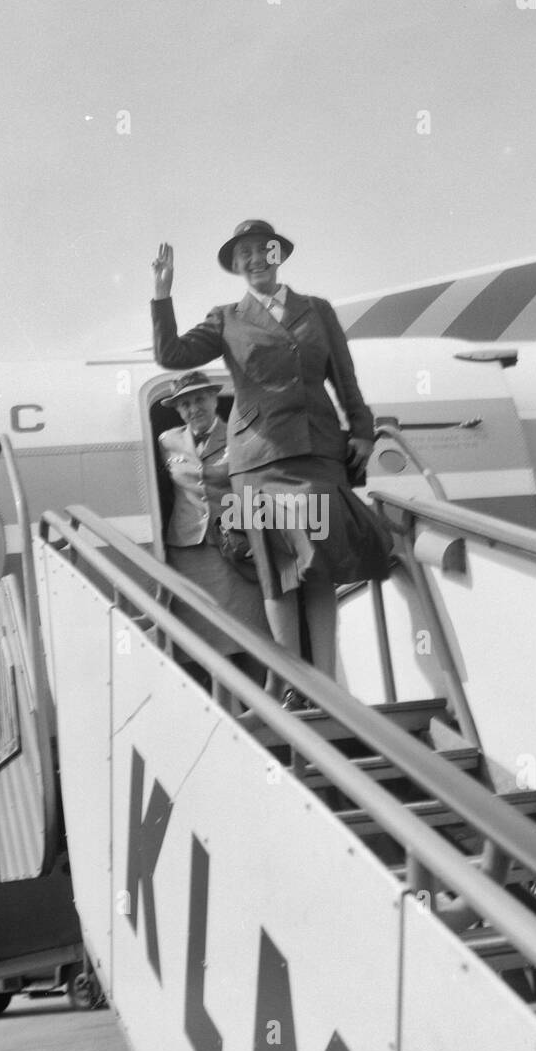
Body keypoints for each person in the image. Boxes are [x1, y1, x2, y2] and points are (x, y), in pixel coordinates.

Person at [151, 219, 391, 709]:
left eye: (265, 250)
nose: (257, 259)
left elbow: (344, 377)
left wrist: (362, 431)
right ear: (236, 266)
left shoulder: (318, 311)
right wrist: (162, 294)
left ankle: (324, 684)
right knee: (275, 565)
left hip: (317, 454)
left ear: (280, 255)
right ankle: (287, 681)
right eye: (246, 255)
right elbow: (170, 354)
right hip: (257, 461)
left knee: (320, 565)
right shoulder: (227, 318)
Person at [156, 370, 269, 686]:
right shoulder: (168, 441)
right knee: (204, 635)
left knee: (251, 630)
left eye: (200, 399)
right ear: (178, 410)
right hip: (189, 550)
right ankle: (225, 708)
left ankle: (262, 704)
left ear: (213, 398)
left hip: (237, 545)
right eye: (185, 404)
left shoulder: (241, 432)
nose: (194, 408)